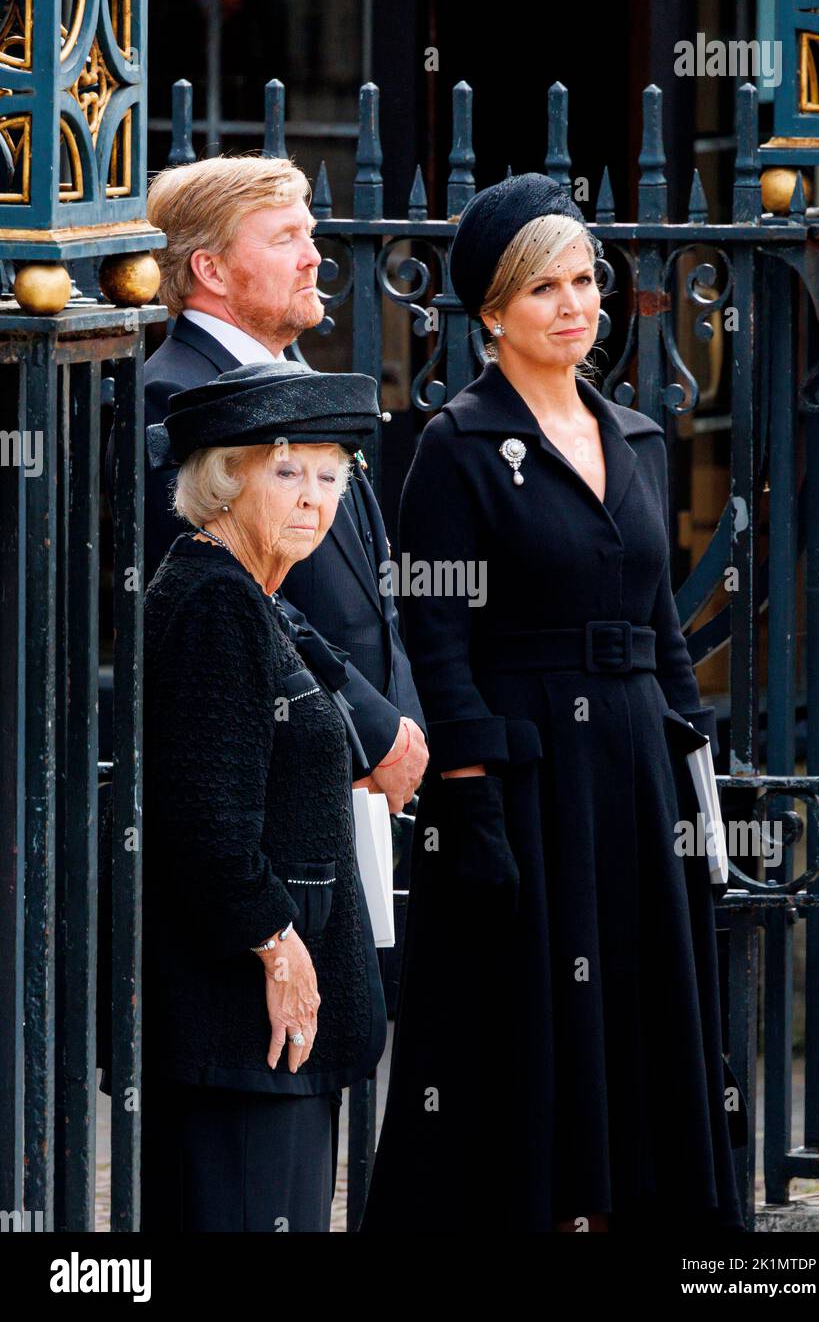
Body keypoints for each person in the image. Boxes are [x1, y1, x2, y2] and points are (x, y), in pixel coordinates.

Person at [360, 173, 747, 1233]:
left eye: (584, 281)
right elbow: (436, 639)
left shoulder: (638, 437)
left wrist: (692, 776)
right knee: (527, 1032)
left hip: (635, 769)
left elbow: (661, 628)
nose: (575, 305)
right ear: (490, 313)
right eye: (543, 288)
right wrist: (473, 790)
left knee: (643, 1015)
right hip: (527, 779)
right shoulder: (455, 445)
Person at [123, 360, 388, 1231]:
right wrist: (279, 950)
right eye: (286, 471)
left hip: (261, 1032)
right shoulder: (215, 603)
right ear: (224, 481)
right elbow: (205, 818)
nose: (313, 498)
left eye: (328, 477)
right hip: (243, 1022)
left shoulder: (246, 592)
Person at [104, 153, 427, 817]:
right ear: (211, 269)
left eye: (309, 235)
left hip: (355, 777)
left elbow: (369, 596)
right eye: (285, 239)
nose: (313, 258)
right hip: (268, 783)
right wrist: (370, 728)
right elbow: (233, 596)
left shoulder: (293, 383)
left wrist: (398, 729)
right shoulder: (175, 398)